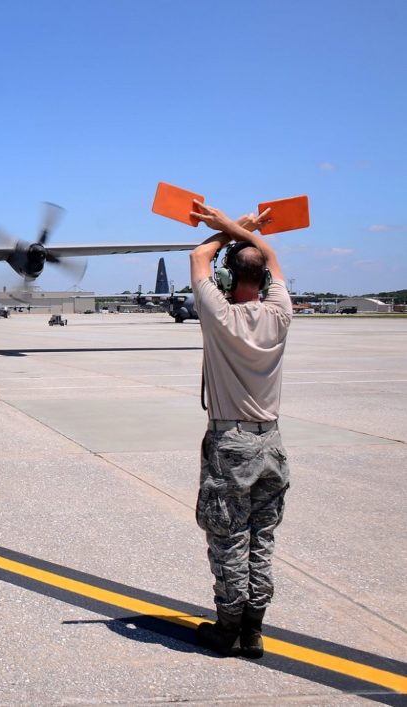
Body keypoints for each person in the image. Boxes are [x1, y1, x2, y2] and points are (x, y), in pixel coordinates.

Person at [188, 201, 293, 658]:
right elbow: (271, 257)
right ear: (265, 279)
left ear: (228, 277)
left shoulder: (220, 315)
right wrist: (242, 228)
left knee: (229, 536)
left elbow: (198, 256)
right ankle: (253, 629)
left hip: (231, 443)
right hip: (271, 442)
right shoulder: (281, 311)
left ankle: (228, 626)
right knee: (261, 538)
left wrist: (228, 231)